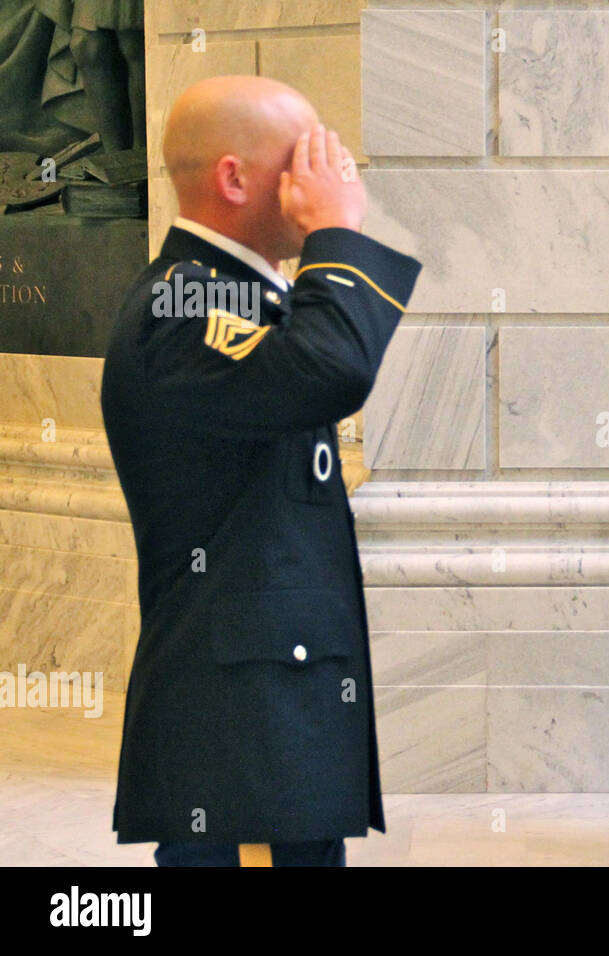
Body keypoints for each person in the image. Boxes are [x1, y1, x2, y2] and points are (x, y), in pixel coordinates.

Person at [101, 75, 421, 866]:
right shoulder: (180, 309)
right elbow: (329, 369)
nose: (332, 178)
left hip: (277, 673)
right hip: (233, 689)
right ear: (234, 177)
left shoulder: (246, 295)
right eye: (306, 158)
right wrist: (338, 235)